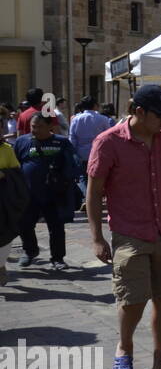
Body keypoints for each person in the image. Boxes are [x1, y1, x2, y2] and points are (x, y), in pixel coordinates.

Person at [86, 85, 161, 369]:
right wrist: (96, 237)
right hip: (130, 231)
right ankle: (125, 346)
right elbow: (94, 193)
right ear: (139, 111)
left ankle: (160, 365)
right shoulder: (108, 142)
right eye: (160, 115)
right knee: (132, 299)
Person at [12, 113, 77, 272]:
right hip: (28, 194)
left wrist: (64, 181)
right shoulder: (22, 142)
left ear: (50, 127)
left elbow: (72, 164)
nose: (35, 130)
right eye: (33, 126)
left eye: (40, 126)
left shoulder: (62, 142)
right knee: (24, 224)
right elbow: (15, 166)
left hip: (54, 194)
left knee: (56, 227)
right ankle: (30, 250)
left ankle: (58, 258)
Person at [69, 96, 113, 202]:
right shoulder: (103, 119)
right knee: (100, 176)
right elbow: (109, 135)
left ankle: (86, 198)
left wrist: (73, 153)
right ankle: (97, 197)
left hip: (82, 153)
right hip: (99, 152)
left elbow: (72, 137)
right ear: (95, 105)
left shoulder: (76, 119)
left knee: (83, 177)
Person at [0, 135, 24, 285]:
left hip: (2, 200)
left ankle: (1, 265)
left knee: (4, 233)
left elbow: (17, 173)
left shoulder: (7, 149)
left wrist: (3, 174)